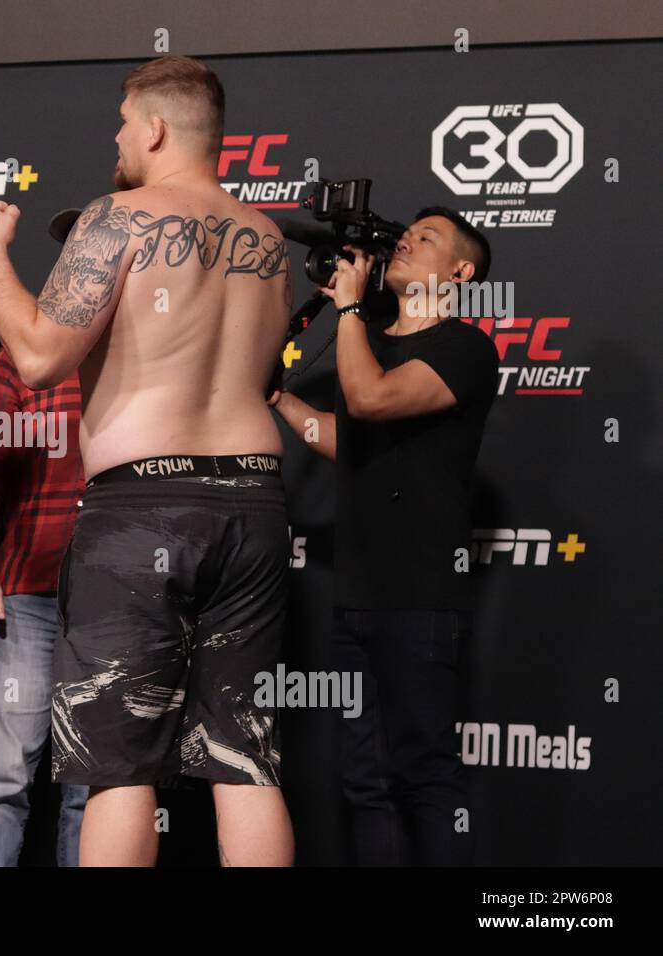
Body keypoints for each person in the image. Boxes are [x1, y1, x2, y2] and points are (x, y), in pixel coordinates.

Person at [0, 55, 294, 866]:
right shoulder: (269, 237)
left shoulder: (120, 216)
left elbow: (39, 356)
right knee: (245, 762)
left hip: (144, 505)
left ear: (153, 127)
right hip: (253, 504)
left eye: (121, 123)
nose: (115, 138)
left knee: (116, 768)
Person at [268, 207, 499, 866]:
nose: (405, 243)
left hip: (422, 596)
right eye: (405, 235)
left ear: (459, 271)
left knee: (425, 776)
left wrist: (345, 311)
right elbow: (352, 440)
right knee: (364, 782)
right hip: (357, 594)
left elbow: (370, 400)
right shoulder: (367, 336)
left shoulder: (464, 347)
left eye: (425, 239)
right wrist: (281, 402)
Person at [0, 337, 88, 867]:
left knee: (94, 789)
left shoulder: (142, 342)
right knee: (1, 781)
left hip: (117, 597)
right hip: (26, 592)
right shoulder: (21, 356)